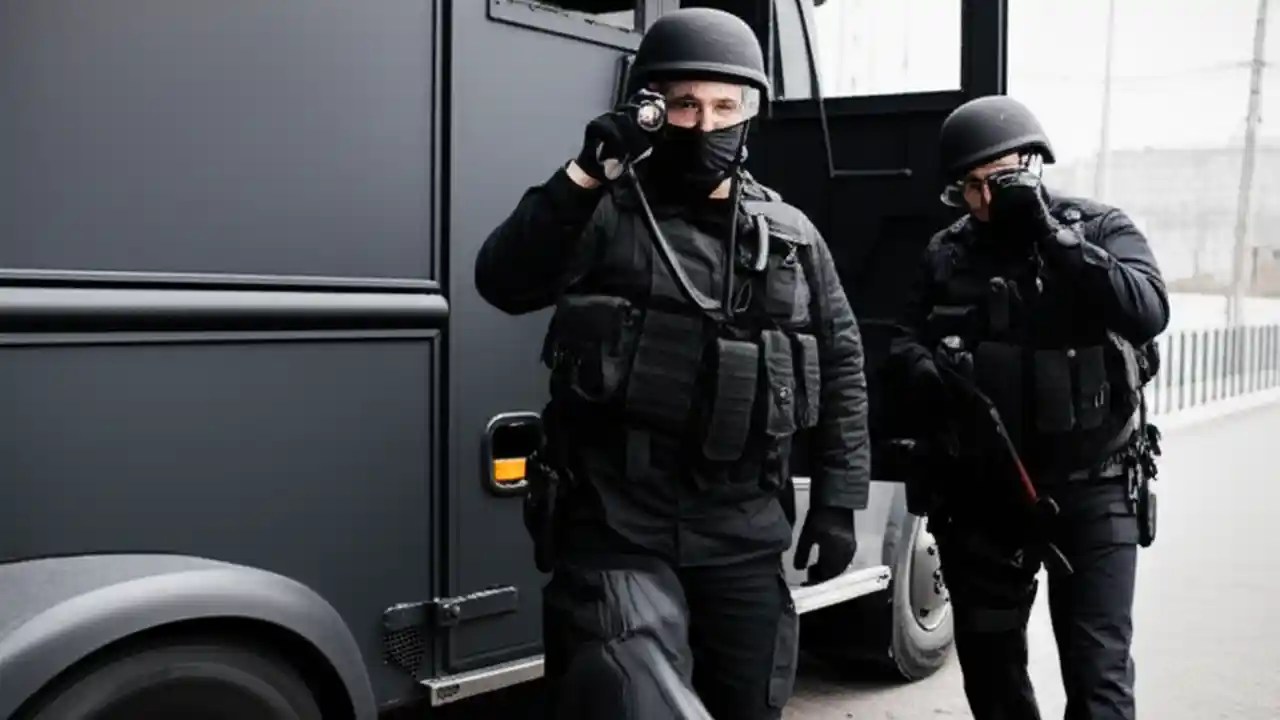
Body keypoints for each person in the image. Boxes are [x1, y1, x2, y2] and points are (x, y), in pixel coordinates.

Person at [473, 7, 870, 719]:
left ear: (752, 114)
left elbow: (842, 368)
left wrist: (840, 501)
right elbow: (503, 280)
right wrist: (583, 176)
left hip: (745, 526)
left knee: (749, 701)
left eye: (726, 105)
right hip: (619, 522)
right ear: (651, 108)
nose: (706, 122)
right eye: (684, 104)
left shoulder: (791, 236)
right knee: (635, 698)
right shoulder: (603, 211)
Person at [890, 94, 1169, 720]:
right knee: (992, 682)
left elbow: (1148, 310)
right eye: (970, 188)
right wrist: (930, 373)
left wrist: (1052, 236)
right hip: (983, 495)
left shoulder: (1097, 229)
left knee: (1098, 679)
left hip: (1093, 490)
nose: (985, 201)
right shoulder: (948, 251)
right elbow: (903, 341)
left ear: (1034, 166)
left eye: (1000, 182)